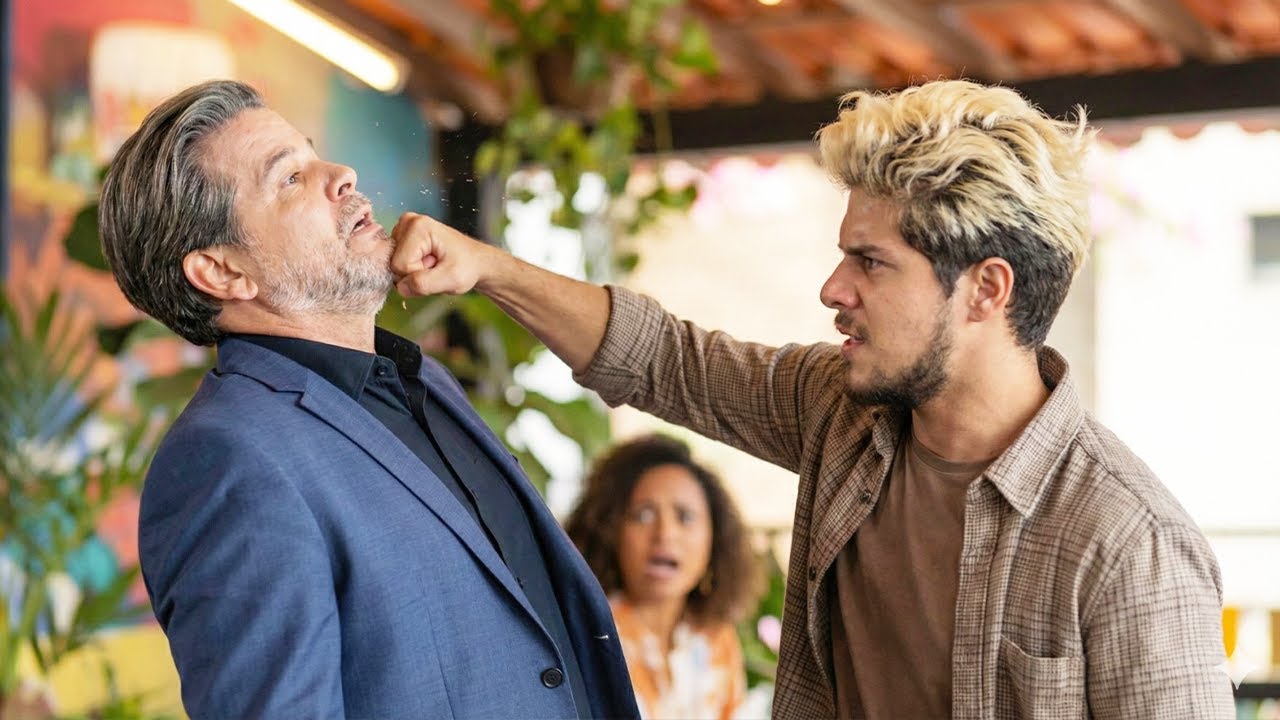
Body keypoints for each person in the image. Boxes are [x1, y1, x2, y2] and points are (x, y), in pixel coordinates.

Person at [388, 79, 1236, 719]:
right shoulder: (843, 413)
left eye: (871, 262)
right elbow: (664, 359)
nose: (834, 288)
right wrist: (487, 267)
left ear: (986, 289)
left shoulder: (1128, 544)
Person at [96, 79, 639, 719]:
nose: (342, 175)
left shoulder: (422, 381)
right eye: (290, 178)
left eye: (313, 153)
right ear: (223, 272)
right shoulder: (227, 460)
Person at [565, 435, 762, 720]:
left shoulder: (718, 639)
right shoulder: (588, 634)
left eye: (685, 517)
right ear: (609, 530)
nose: (665, 534)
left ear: (716, 538)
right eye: (643, 515)